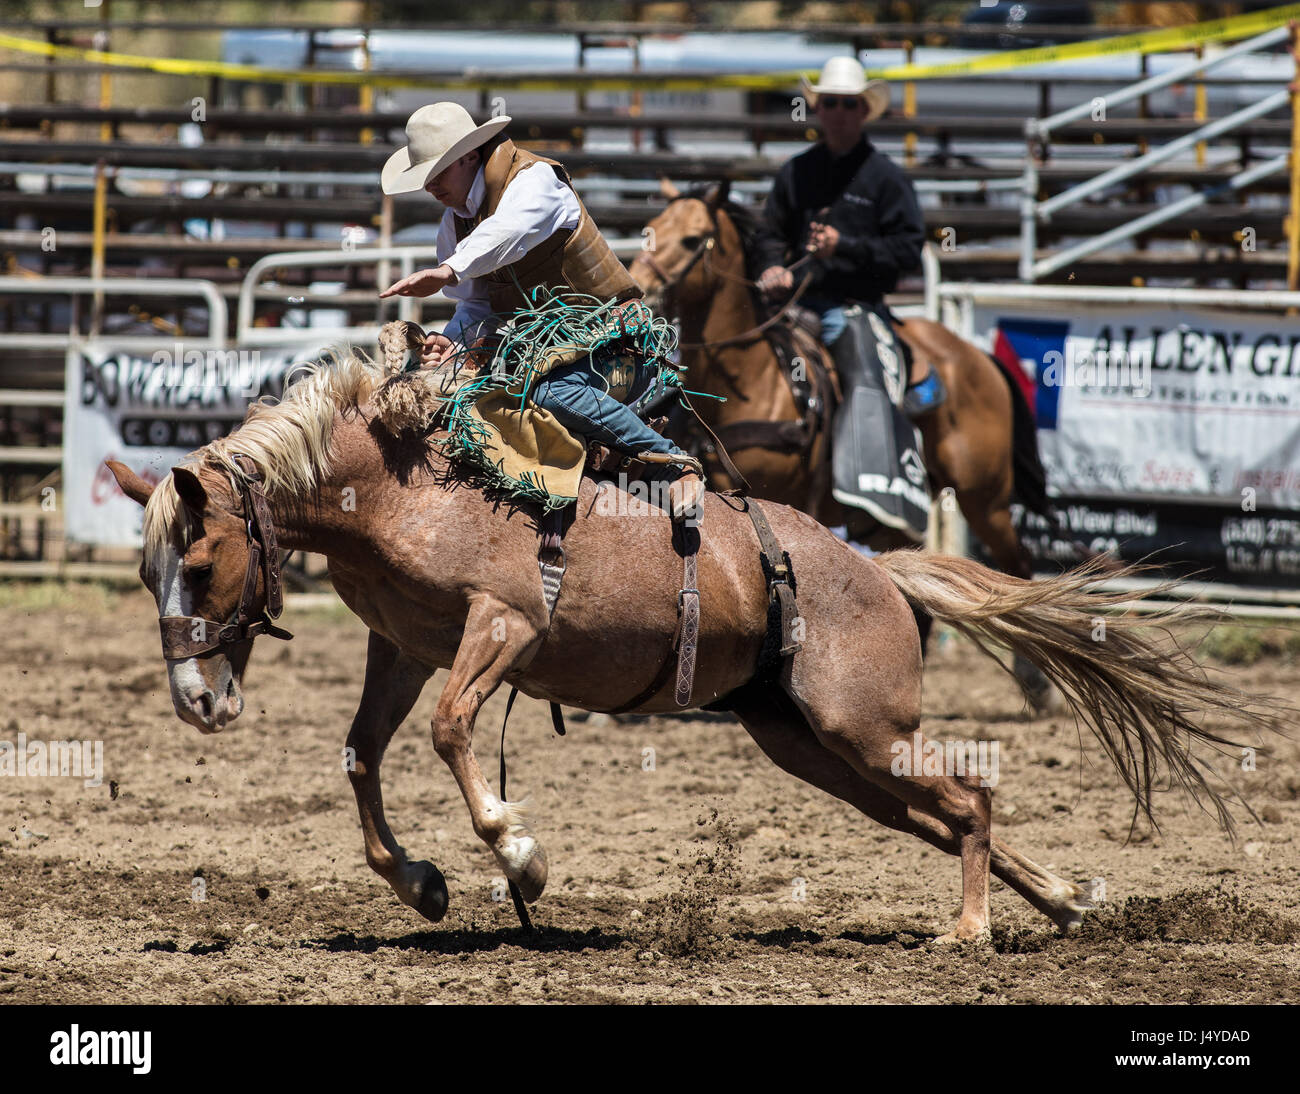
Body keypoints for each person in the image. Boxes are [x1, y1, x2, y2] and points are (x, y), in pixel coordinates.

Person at [378, 101, 703, 519]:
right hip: (541, 356)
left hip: (620, 348)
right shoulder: (456, 222)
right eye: (425, 177)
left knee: (550, 391)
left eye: (438, 172)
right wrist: (453, 341)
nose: (430, 187)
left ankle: (671, 462)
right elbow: (476, 305)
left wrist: (447, 269)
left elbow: (509, 229)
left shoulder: (536, 181)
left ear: (471, 156)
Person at [752, 58, 940, 414]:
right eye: (830, 102)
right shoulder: (796, 171)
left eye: (848, 103)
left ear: (864, 110)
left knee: (864, 387)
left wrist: (845, 246)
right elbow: (769, 233)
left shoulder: (886, 178)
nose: (838, 111)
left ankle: (866, 456)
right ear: (818, 109)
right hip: (791, 304)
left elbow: (907, 251)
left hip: (856, 306)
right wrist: (771, 267)